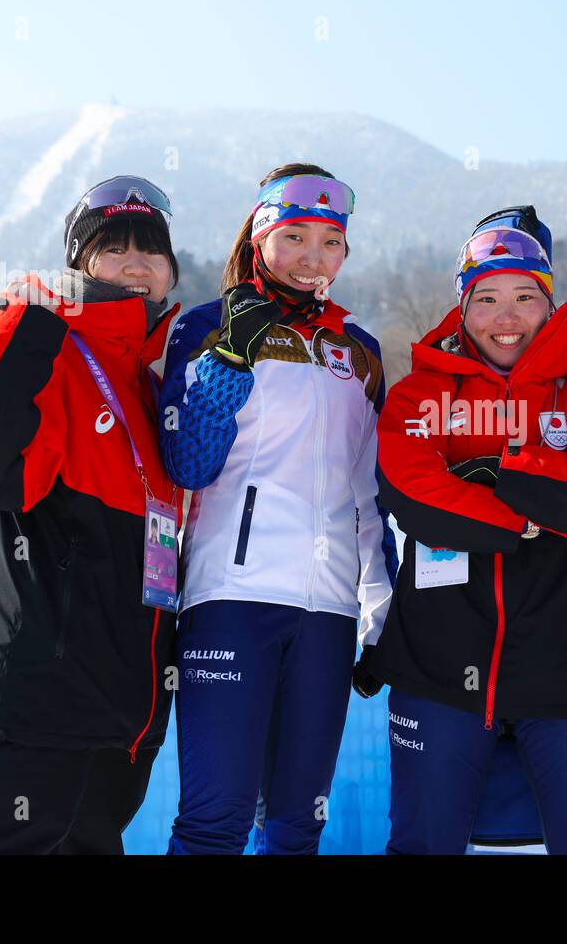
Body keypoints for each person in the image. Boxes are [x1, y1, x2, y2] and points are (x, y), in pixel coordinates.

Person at [360, 205, 567, 854]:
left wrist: (506, 471)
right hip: (438, 669)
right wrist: (542, 513)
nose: (507, 316)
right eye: (486, 298)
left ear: (548, 304)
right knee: (423, 845)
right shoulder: (417, 395)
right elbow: (414, 496)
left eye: (525, 296)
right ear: (463, 308)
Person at [0, 175, 182, 853]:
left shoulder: (155, 388)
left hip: (127, 713)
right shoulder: (51, 348)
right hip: (41, 700)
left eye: (152, 251)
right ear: (78, 267)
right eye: (113, 248)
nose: (136, 264)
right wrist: (25, 314)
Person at [158, 164, 394, 854]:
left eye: (330, 242)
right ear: (260, 236)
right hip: (232, 597)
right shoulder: (204, 326)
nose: (311, 257)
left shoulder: (362, 350)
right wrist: (231, 357)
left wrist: (381, 614)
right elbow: (189, 464)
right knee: (214, 820)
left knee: (296, 825)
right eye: (294, 236)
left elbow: (369, 496)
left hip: (328, 614)